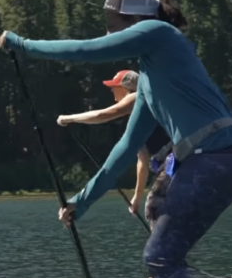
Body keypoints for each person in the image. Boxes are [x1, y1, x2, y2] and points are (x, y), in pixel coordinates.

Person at [0, 0, 232, 278]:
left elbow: (86, 51)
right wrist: (81, 202)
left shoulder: (159, 34)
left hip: (221, 156)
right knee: (156, 218)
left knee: (162, 256)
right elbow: (124, 150)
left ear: (130, 19)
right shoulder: (151, 80)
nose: (109, 28)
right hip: (208, 159)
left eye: (112, 21)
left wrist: (22, 44)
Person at [57, 69, 171, 217]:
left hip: (174, 162)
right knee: (155, 210)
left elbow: (102, 115)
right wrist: (137, 197)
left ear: (126, 88)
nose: (111, 90)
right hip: (170, 165)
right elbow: (142, 161)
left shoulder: (136, 97)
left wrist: (68, 118)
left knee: (154, 209)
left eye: (114, 86)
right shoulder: (138, 120)